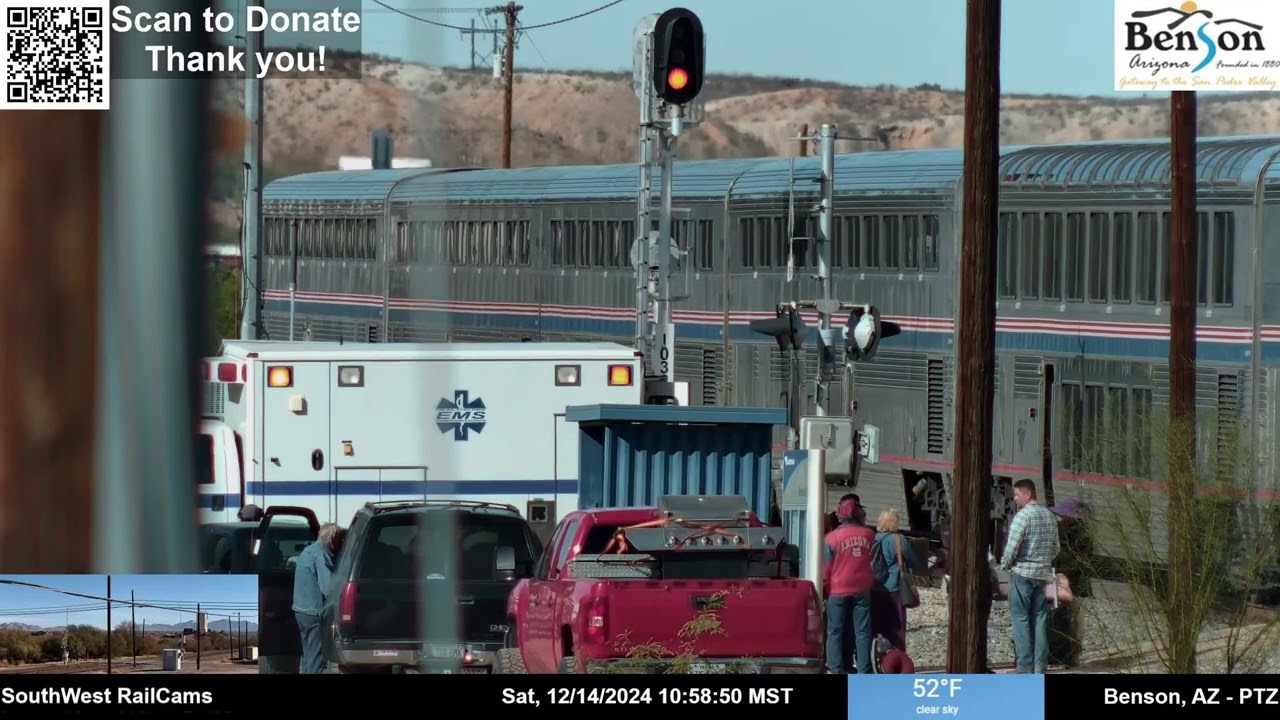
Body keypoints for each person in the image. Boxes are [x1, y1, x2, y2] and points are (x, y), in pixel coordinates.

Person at [999, 479, 1060, 674]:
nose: (1015, 499)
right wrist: (1043, 563)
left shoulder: (1022, 517)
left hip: (1022, 574)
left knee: (1021, 619)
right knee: (1040, 618)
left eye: (1017, 495)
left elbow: (1011, 549)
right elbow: (1056, 548)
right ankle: (1040, 666)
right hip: (1042, 575)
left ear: (1027, 494)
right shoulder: (1049, 516)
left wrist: (1006, 565)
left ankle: (1024, 666)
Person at [822, 495, 876, 674]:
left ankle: (835, 668)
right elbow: (872, 561)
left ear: (840, 514)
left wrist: (823, 587)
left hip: (837, 590)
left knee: (835, 631)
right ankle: (863, 668)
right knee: (862, 631)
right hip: (862, 589)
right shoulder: (869, 535)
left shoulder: (831, 538)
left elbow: (826, 567)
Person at [871, 508, 923, 653]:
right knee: (897, 628)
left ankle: (878, 658)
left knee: (877, 627)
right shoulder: (898, 539)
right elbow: (913, 561)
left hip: (875, 588)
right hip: (894, 588)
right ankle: (897, 659)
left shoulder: (873, 539)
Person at [293, 522, 341, 674]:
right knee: (316, 658)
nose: (338, 543)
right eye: (338, 539)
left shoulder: (307, 551)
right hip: (314, 612)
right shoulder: (321, 555)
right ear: (332, 538)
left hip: (300, 611)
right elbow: (328, 588)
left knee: (307, 655)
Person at [1048, 498, 1090, 667]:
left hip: (1071, 582)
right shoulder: (1073, 532)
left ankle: (1070, 655)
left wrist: (1061, 570)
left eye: (1062, 515)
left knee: (1072, 618)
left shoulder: (1078, 534)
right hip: (1068, 581)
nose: (1059, 518)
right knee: (1069, 619)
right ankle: (1066, 654)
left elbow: (1077, 559)